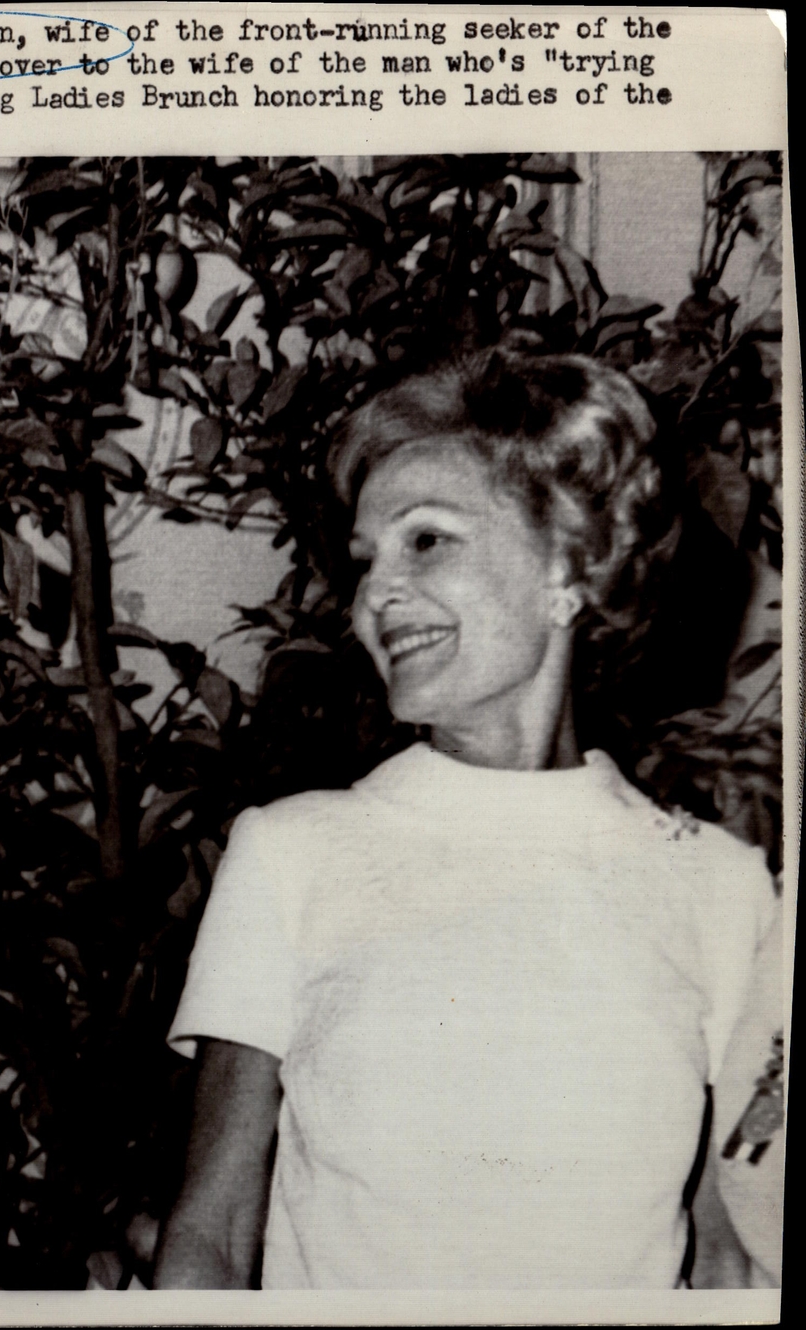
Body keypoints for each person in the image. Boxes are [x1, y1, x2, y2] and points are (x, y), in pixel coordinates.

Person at [153, 350, 779, 1289]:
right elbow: (211, 1230)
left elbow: (727, 1253)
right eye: (366, 561)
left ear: (572, 560)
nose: (374, 595)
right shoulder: (290, 852)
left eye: (427, 541)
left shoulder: (719, 887)